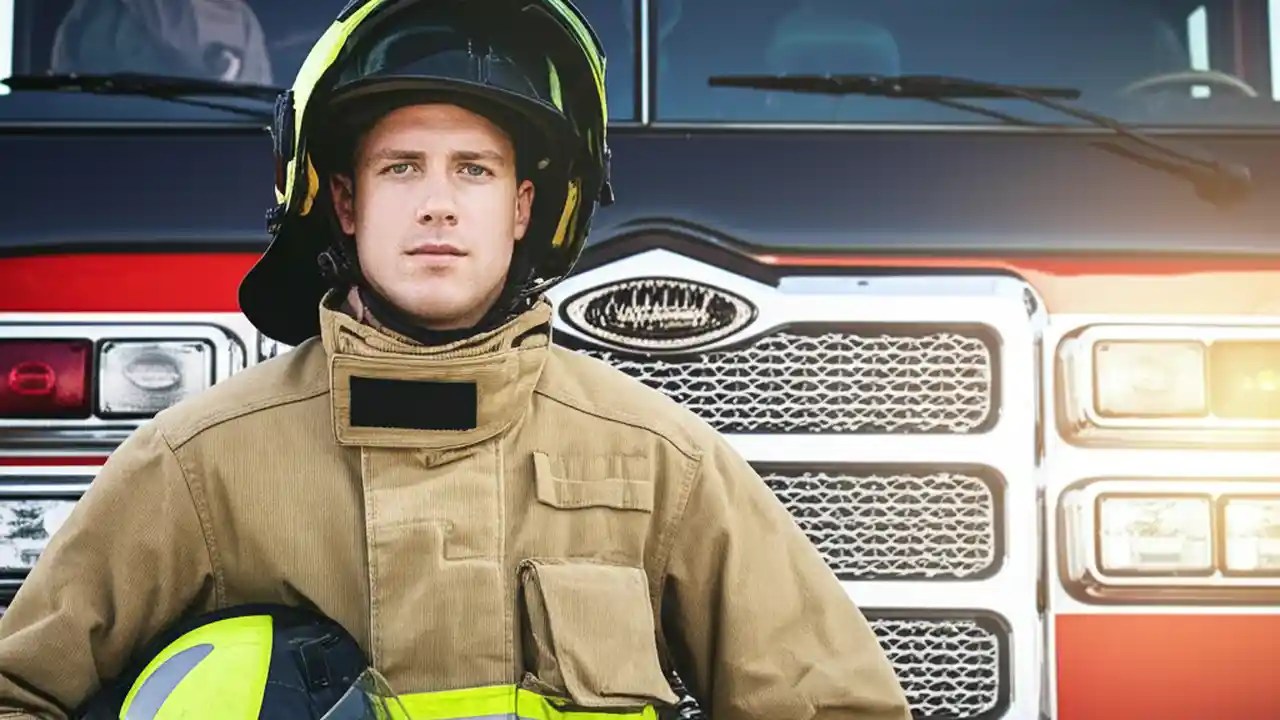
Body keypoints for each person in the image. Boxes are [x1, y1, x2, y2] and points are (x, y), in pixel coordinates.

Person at [0, 0, 911, 718]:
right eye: (403, 168)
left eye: (473, 170)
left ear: (522, 210)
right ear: (346, 204)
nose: (438, 204)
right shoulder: (201, 466)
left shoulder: (657, 462)